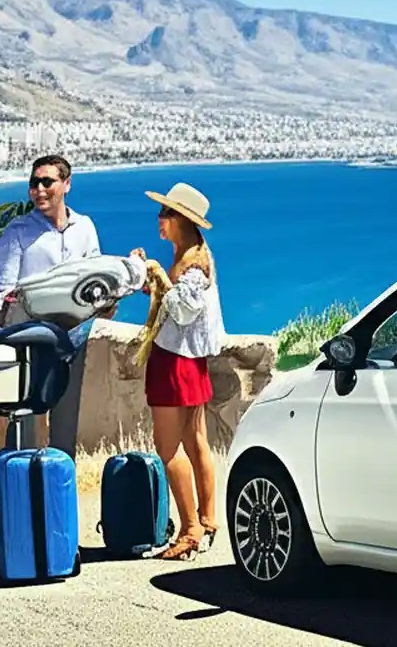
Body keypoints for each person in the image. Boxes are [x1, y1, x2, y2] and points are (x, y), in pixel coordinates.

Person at [0, 155, 107, 457]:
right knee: (26, 422)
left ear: (66, 184)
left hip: (74, 338)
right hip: (31, 342)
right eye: (33, 183)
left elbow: (94, 279)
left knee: (66, 429)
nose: (38, 189)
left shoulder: (86, 228)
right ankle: (23, 490)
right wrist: (7, 307)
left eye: (47, 181)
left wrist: (105, 302)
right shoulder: (18, 231)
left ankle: (59, 489)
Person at [131, 182, 225, 561]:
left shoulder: (192, 265)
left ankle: (189, 530)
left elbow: (183, 310)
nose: (160, 219)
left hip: (174, 361)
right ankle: (207, 519)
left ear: (182, 220)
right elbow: (172, 301)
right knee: (195, 440)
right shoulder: (192, 257)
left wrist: (158, 274)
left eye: (166, 213)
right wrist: (150, 274)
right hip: (190, 360)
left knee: (168, 449)